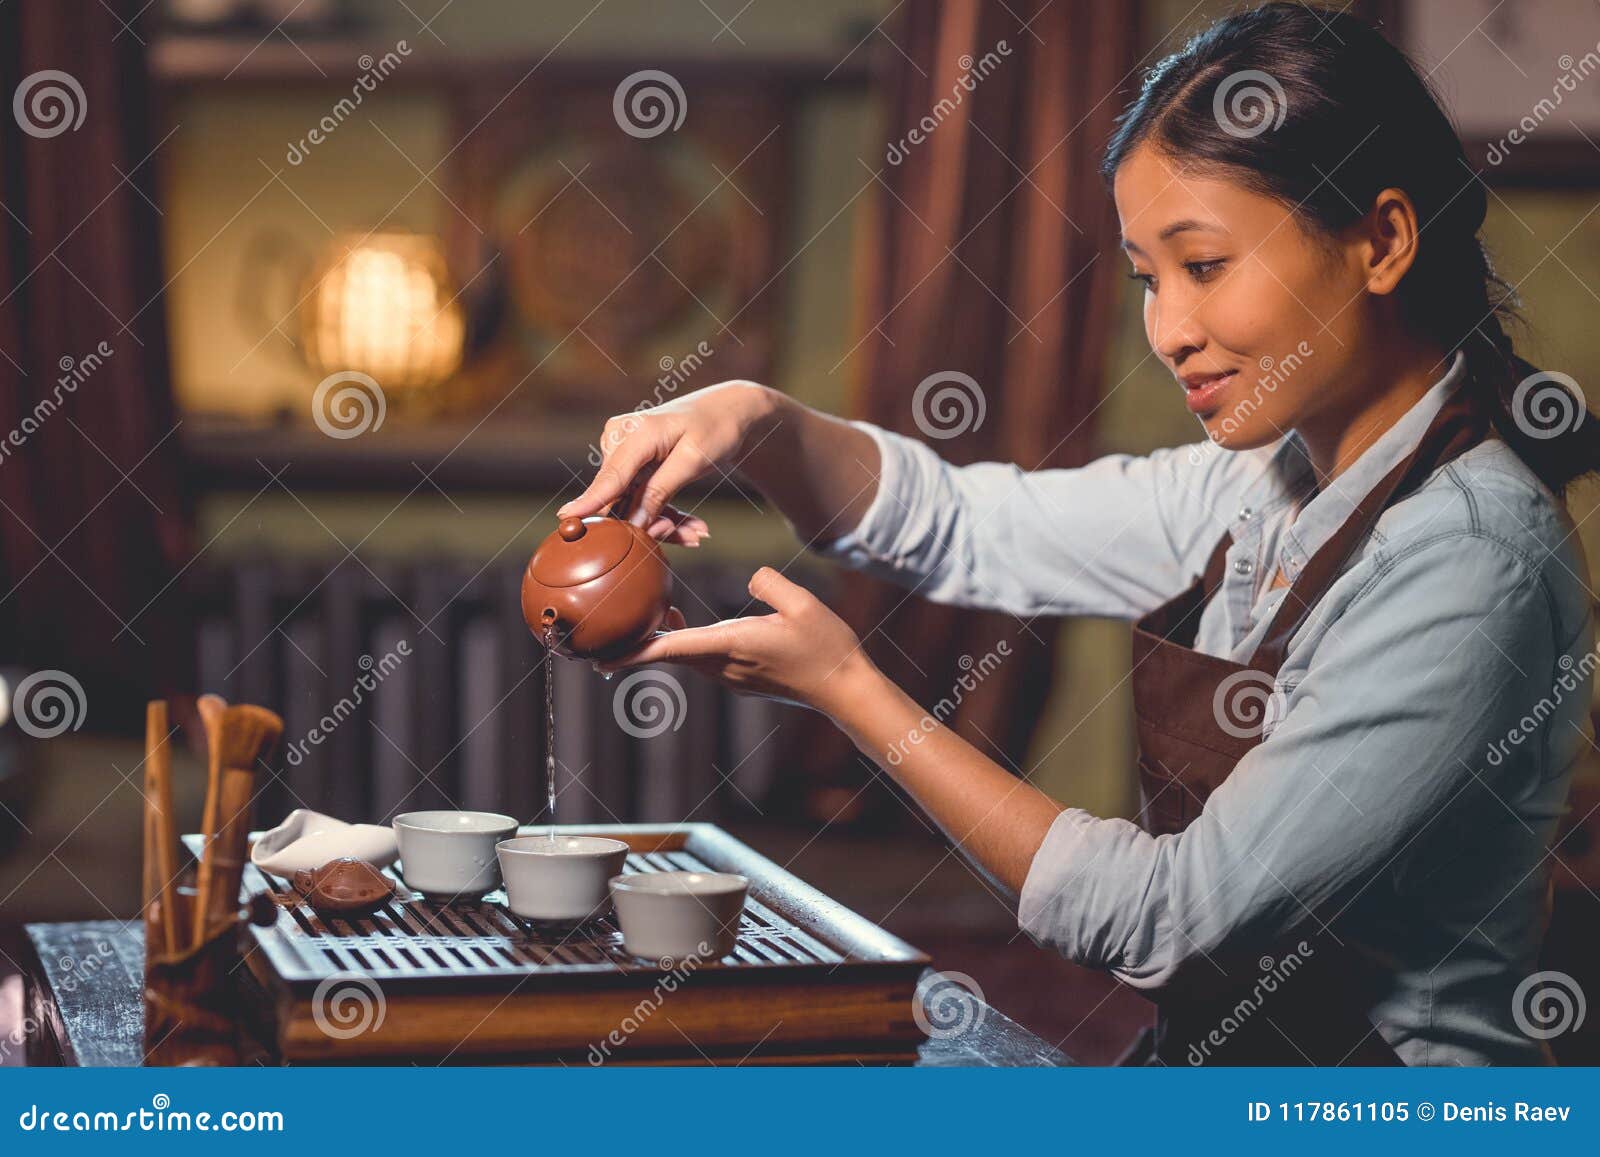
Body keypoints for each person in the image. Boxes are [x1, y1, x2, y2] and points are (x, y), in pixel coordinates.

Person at [555, 3, 1600, 1065]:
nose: (1168, 332)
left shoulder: (1469, 562)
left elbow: (1170, 920)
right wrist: (754, 420)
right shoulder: (1251, 490)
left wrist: (851, 690)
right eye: (1147, 279)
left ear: (1379, 241)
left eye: (1203, 265)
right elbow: (959, 522)